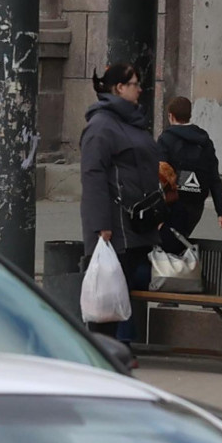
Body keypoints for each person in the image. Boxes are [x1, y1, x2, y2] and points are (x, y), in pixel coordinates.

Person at [76, 62, 159, 343]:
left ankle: (120, 348)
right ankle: (107, 351)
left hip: (138, 226)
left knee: (121, 290)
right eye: (135, 84)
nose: (140, 89)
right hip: (115, 227)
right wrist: (101, 224)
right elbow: (93, 176)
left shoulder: (130, 122)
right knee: (108, 292)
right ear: (119, 88)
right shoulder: (101, 127)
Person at [153, 93, 222, 247]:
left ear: (171, 116)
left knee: (165, 248)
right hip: (195, 206)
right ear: (189, 115)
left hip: (172, 205)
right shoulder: (204, 141)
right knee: (178, 241)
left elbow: (160, 174)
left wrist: (157, 214)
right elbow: (214, 178)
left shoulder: (166, 139)